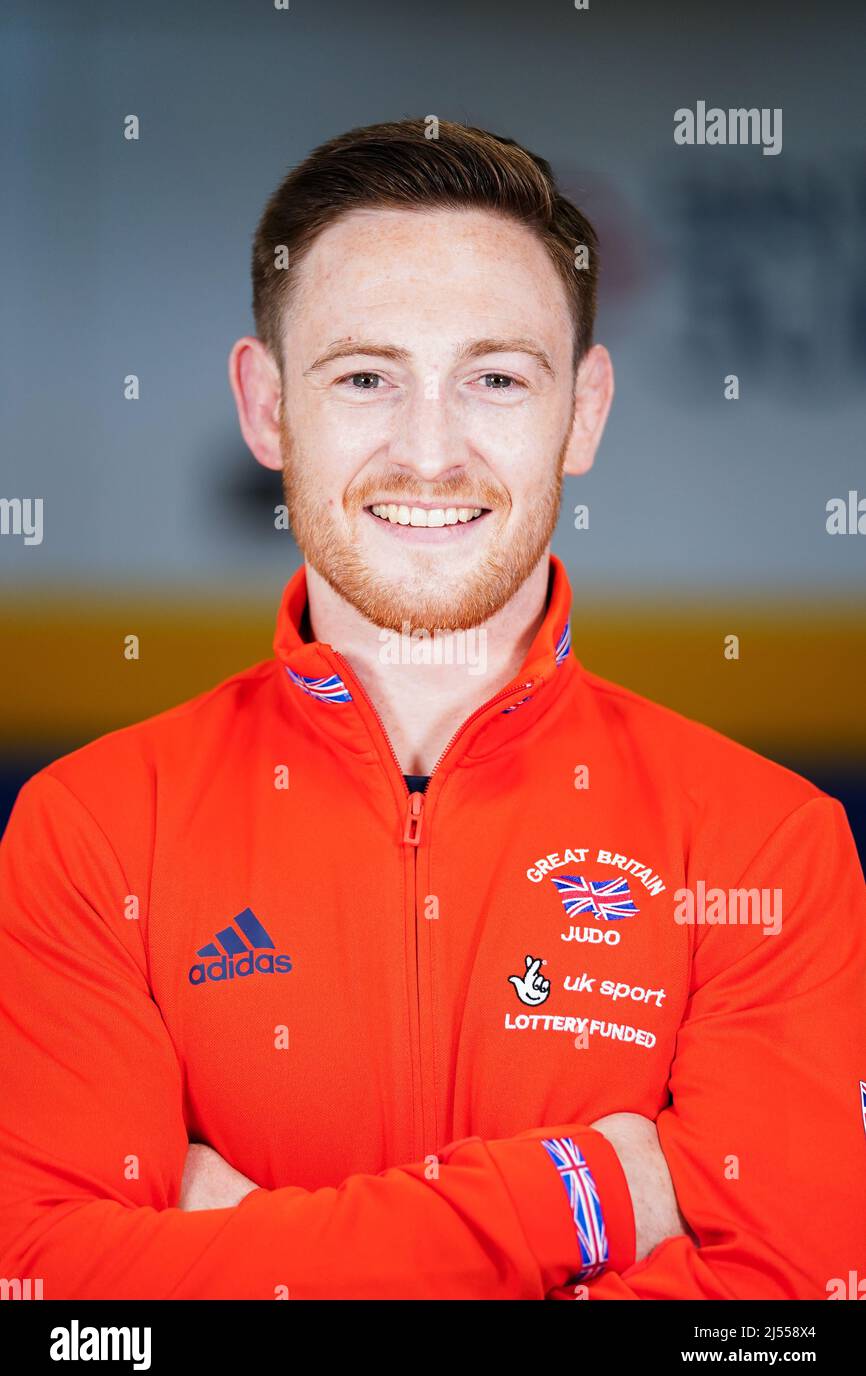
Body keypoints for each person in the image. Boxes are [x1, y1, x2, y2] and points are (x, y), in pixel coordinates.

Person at [1, 118, 864, 1300]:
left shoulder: (769, 847)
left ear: (585, 412)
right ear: (265, 407)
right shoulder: (88, 836)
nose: (428, 453)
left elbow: (781, 1319)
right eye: (364, 376)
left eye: (495, 379)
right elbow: (55, 1300)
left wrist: (241, 1251)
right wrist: (582, 1194)